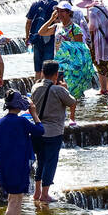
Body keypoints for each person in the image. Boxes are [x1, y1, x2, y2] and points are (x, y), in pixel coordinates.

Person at [0, 90, 45, 215]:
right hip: (17, 165)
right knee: (14, 200)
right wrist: (34, 113)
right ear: (19, 106)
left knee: (15, 197)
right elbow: (40, 130)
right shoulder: (22, 122)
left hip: (3, 166)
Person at [30, 60, 77, 203]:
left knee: (41, 161)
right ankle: (45, 194)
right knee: (51, 162)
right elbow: (72, 102)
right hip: (53, 132)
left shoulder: (35, 87)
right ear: (56, 74)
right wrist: (65, 88)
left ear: (43, 72)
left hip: (37, 130)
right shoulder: (59, 90)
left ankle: (37, 192)